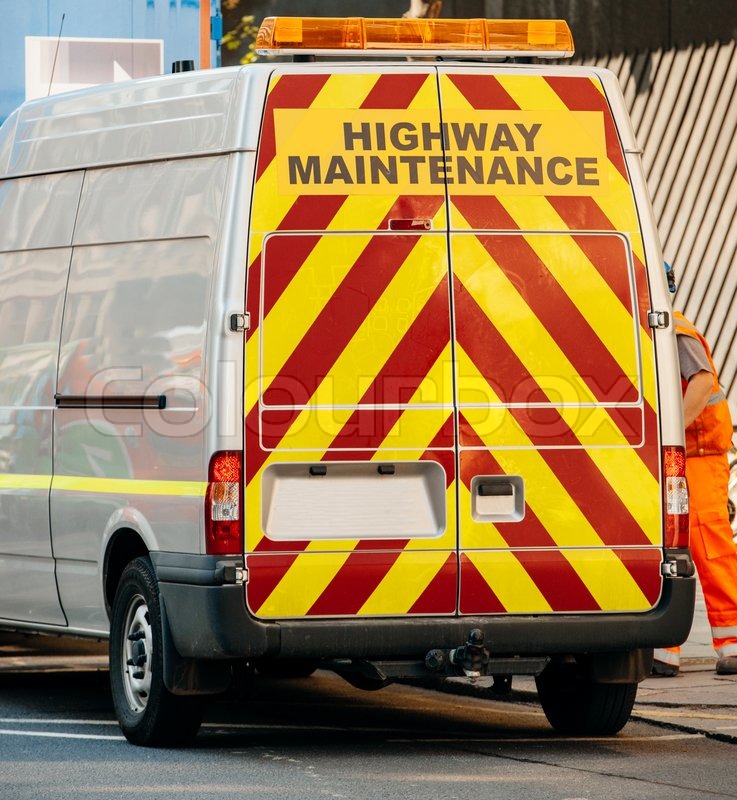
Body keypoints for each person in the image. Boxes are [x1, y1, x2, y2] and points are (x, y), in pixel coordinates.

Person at [653, 264, 737, 676]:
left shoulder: (675, 330)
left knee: (707, 543)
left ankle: (733, 642)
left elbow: (702, 383)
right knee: (668, 549)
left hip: (697, 455)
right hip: (678, 455)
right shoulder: (651, 333)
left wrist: (672, 434)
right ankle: (663, 651)